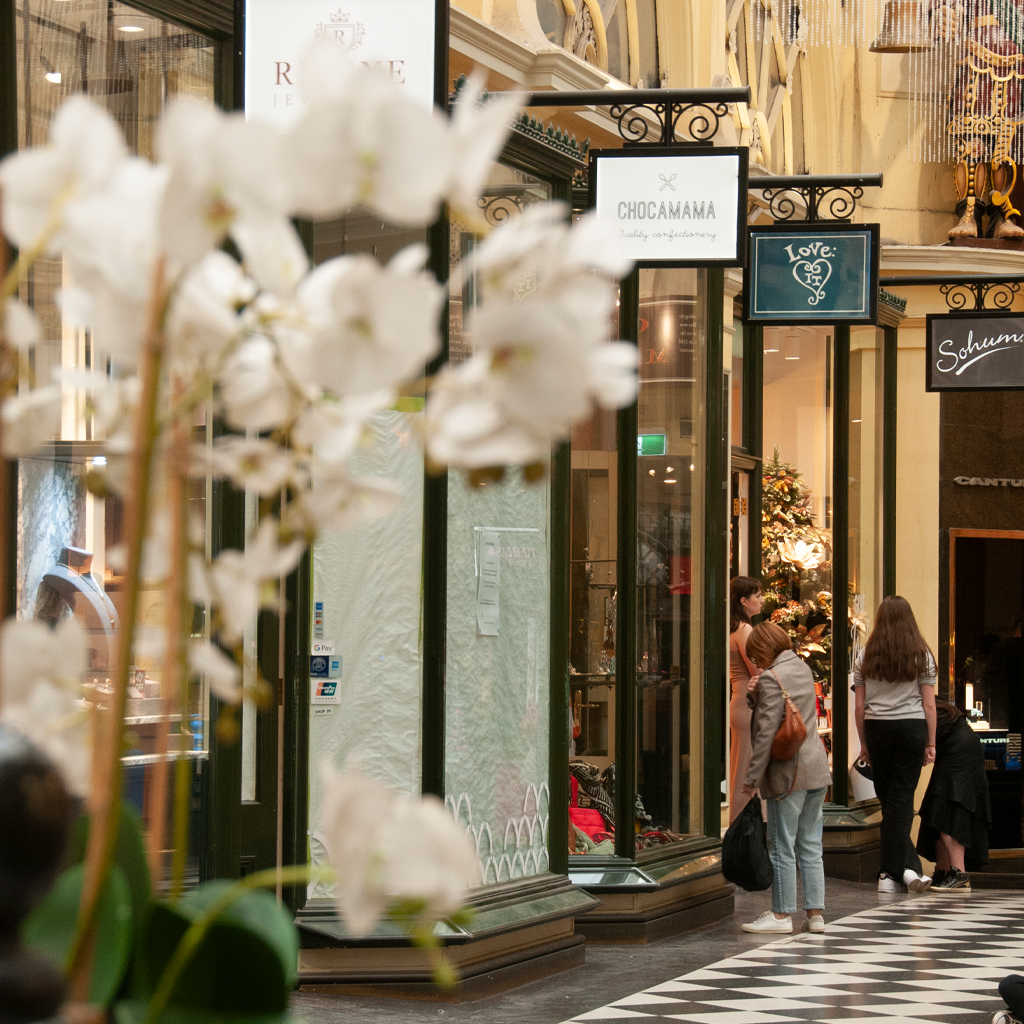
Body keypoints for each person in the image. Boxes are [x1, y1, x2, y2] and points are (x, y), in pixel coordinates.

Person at [740, 621, 832, 935]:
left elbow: (766, 731)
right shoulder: (803, 668)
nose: (756, 662)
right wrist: (757, 695)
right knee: (810, 844)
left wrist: (752, 778)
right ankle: (815, 914)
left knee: (781, 846)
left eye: (756, 655)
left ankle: (781, 915)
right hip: (817, 767)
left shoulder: (770, 677)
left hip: (787, 773)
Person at [854, 595, 937, 894]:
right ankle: (903, 871)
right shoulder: (922, 655)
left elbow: (859, 706)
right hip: (912, 728)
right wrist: (932, 743)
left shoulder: (865, 656)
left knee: (889, 800)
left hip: (877, 729)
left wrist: (864, 743)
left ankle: (893, 873)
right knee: (900, 801)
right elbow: (929, 705)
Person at [916, 697, 991, 892]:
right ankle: (943, 872)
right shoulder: (922, 699)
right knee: (936, 809)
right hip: (956, 749)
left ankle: (959, 874)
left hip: (959, 752)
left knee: (948, 808)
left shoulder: (917, 703)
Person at [728, 576, 763, 822]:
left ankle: (739, 828)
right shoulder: (745, 630)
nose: (761, 600)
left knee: (741, 767)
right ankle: (742, 830)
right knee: (747, 773)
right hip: (747, 704)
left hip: (738, 701)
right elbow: (758, 671)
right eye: (757, 596)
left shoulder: (732, 629)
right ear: (743, 601)